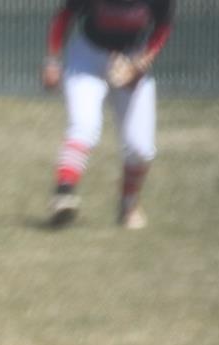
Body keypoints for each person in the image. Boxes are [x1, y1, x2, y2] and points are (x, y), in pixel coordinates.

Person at [42, 0, 173, 229]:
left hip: (131, 57)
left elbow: (163, 26)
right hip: (87, 57)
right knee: (84, 126)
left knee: (141, 148)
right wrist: (52, 60)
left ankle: (128, 204)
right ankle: (64, 194)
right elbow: (65, 15)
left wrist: (142, 63)